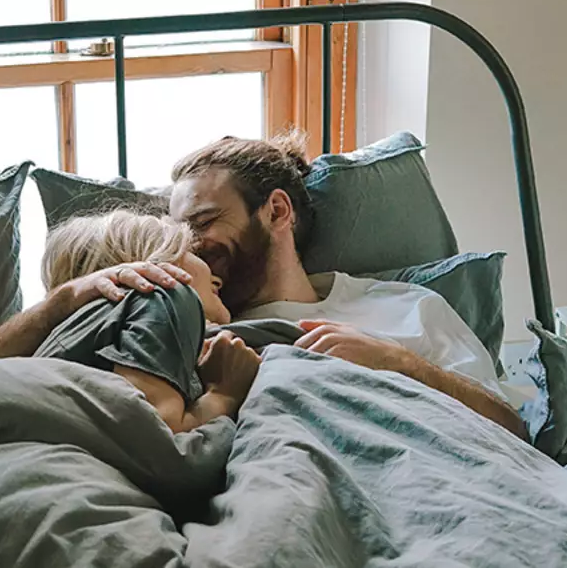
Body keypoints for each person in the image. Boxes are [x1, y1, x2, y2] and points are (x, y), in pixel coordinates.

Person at [167, 132, 527, 440]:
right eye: (179, 233)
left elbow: (514, 429)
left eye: (203, 222)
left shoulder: (407, 307)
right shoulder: (186, 324)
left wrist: (399, 363)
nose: (189, 245)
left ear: (277, 211)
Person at [0, 209, 260, 434]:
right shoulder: (161, 297)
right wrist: (225, 395)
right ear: (154, 261)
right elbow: (160, 438)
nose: (217, 277)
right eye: (192, 253)